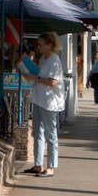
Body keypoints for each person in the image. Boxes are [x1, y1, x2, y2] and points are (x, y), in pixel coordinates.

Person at [21, 32, 65, 177]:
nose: (38, 47)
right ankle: (38, 164)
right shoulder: (43, 59)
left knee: (50, 133)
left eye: (41, 44)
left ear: (49, 45)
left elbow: (52, 81)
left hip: (50, 101)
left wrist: (36, 78)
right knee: (37, 132)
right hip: (39, 99)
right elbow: (39, 76)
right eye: (38, 44)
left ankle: (51, 166)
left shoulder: (54, 60)